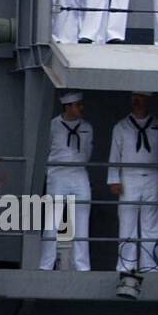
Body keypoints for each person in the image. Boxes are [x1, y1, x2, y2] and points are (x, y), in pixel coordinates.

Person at [109, 92, 158, 274]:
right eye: (134, 98)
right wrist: (114, 178)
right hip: (129, 177)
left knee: (151, 226)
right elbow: (115, 154)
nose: (137, 101)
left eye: (141, 97)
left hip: (153, 176)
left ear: (148, 100)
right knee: (127, 225)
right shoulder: (121, 126)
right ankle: (126, 266)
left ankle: (150, 267)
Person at [38, 91, 92, 272]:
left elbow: (88, 152)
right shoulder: (53, 125)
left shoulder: (87, 127)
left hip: (79, 172)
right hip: (58, 172)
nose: (81, 108)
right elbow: (44, 149)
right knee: (52, 221)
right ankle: (46, 264)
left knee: (82, 220)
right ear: (68, 106)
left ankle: (82, 266)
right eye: (78, 105)